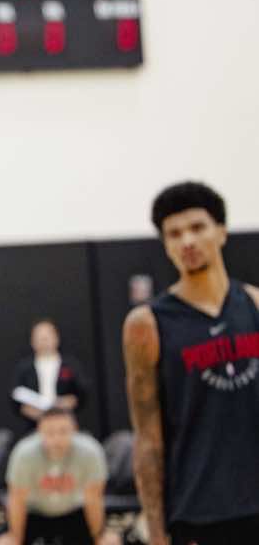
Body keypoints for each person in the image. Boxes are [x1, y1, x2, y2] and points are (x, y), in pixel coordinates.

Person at [123, 182, 259, 545]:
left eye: (197, 227)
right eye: (174, 233)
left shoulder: (255, 304)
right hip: (197, 512)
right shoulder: (146, 324)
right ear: (166, 245)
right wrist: (156, 532)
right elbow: (148, 439)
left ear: (222, 232)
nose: (187, 241)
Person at [0, 409, 118, 545]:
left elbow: (93, 499)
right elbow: (17, 500)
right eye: (50, 432)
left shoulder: (90, 451)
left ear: (74, 430)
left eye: (63, 431)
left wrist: (98, 535)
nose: (57, 439)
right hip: (34, 513)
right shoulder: (24, 454)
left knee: (109, 542)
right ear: (39, 431)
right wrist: (15, 537)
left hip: (74, 512)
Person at [9, 319, 89, 428]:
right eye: (39, 337)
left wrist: (66, 403)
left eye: (47, 336)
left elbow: (81, 392)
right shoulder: (24, 368)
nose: (44, 340)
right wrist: (30, 410)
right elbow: (16, 396)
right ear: (32, 341)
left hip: (65, 423)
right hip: (33, 426)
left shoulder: (71, 365)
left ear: (56, 338)